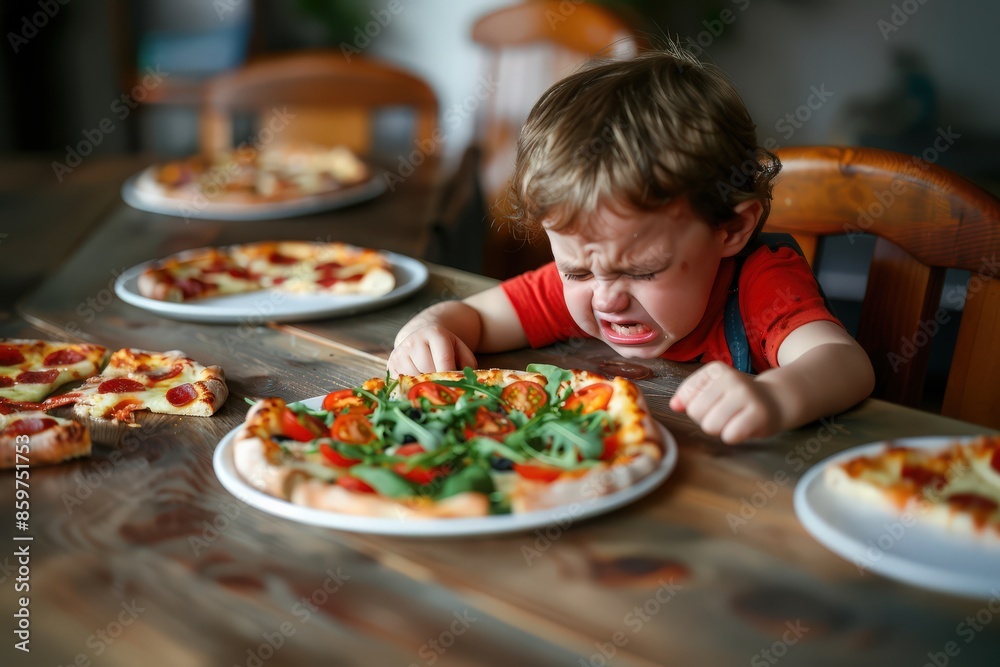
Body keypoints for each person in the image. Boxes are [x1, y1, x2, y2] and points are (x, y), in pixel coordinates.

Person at [388, 46, 874, 444]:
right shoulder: (597, 279)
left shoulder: (760, 286)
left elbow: (844, 363)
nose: (605, 298)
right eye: (576, 271)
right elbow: (474, 318)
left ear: (729, 230)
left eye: (642, 271)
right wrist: (430, 328)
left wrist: (776, 398)